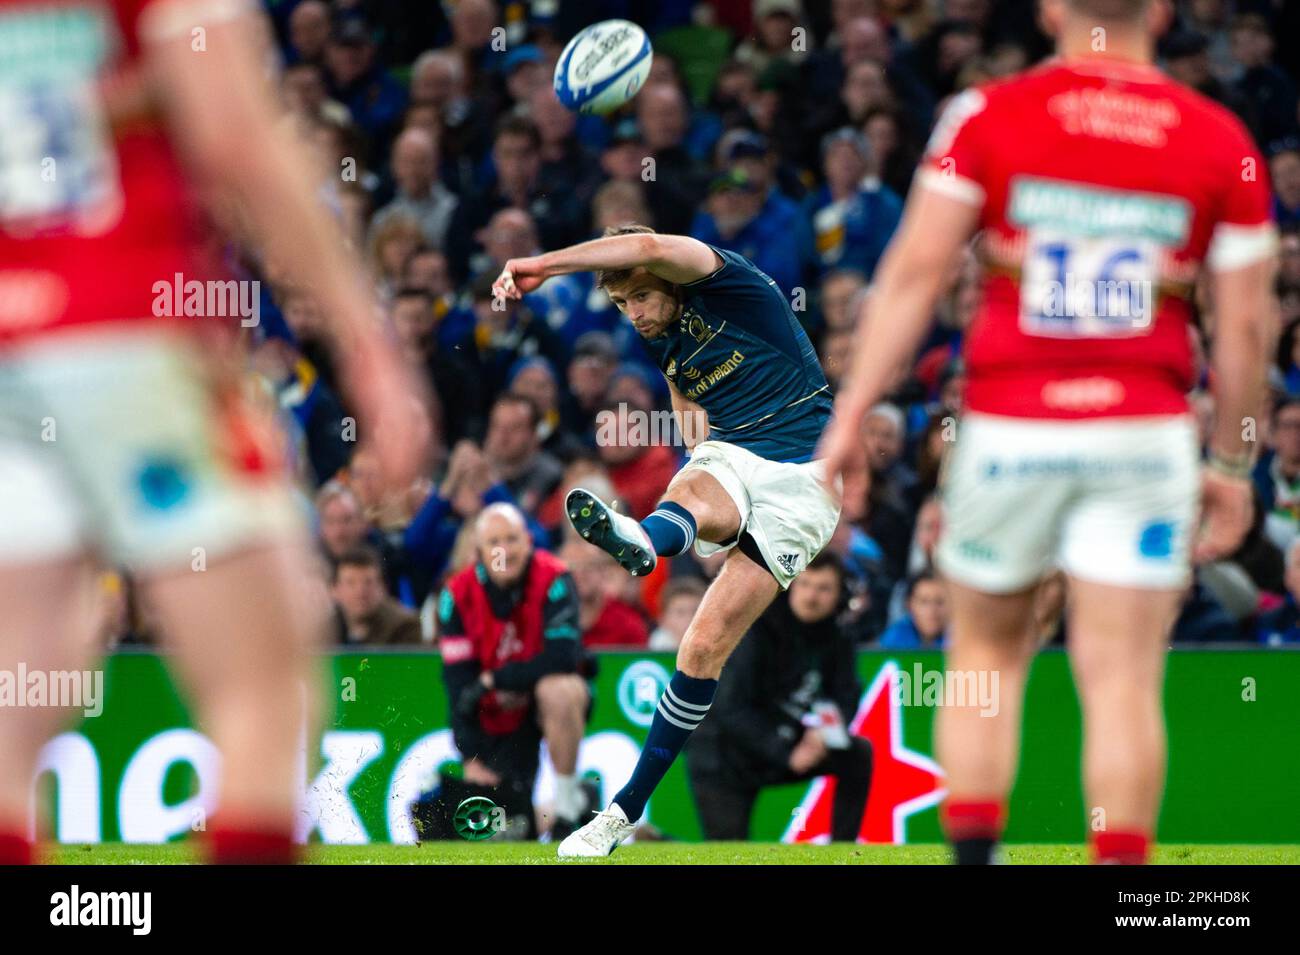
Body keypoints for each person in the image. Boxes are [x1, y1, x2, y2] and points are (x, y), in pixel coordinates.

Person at [819, 0, 1277, 865]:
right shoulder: (1221, 140)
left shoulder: (987, 115)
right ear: (1163, 10)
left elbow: (914, 276)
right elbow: (1247, 330)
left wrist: (847, 422)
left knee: (988, 654)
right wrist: (1230, 459)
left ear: (1051, 9)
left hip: (1008, 426)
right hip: (1143, 433)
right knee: (1124, 680)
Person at [0, 0, 428, 864]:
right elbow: (238, 140)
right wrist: (367, 341)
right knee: (264, 687)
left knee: (12, 707)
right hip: (130, 328)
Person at [494, 224, 841, 856]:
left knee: (709, 646)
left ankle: (651, 535)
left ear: (669, 281)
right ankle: (618, 816)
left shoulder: (724, 279)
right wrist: (697, 483)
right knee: (693, 645)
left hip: (804, 476)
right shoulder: (662, 340)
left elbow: (650, 247)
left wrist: (543, 265)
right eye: (622, 305)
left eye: (640, 299)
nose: (635, 315)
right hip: (731, 456)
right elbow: (688, 413)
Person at [433, 504, 593, 839]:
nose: (504, 550)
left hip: (543, 704)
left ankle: (565, 809)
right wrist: (470, 756)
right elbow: (457, 682)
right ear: (479, 553)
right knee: (509, 826)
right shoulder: (456, 596)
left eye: (512, 539)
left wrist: (495, 678)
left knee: (560, 688)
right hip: (493, 713)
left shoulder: (556, 578)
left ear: (529, 542)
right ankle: (581, 802)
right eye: (494, 542)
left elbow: (563, 658)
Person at [687, 553, 873, 841]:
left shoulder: (838, 635)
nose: (812, 596)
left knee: (856, 753)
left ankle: (843, 853)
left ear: (839, 595)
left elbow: (845, 694)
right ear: (791, 586)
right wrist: (785, 752)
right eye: (805, 584)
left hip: (781, 737)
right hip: (723, 754)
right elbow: (730, 709)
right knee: (729, 854)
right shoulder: (756, 628)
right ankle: (662, 842)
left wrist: (824, 734)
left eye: (824, 588)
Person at [331, 547, 423, 645]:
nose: (360, 592)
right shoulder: (322, 629)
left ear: (384, 587)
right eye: (351, 583)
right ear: (334, 590)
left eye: (369, 582)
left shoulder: (405, 627)